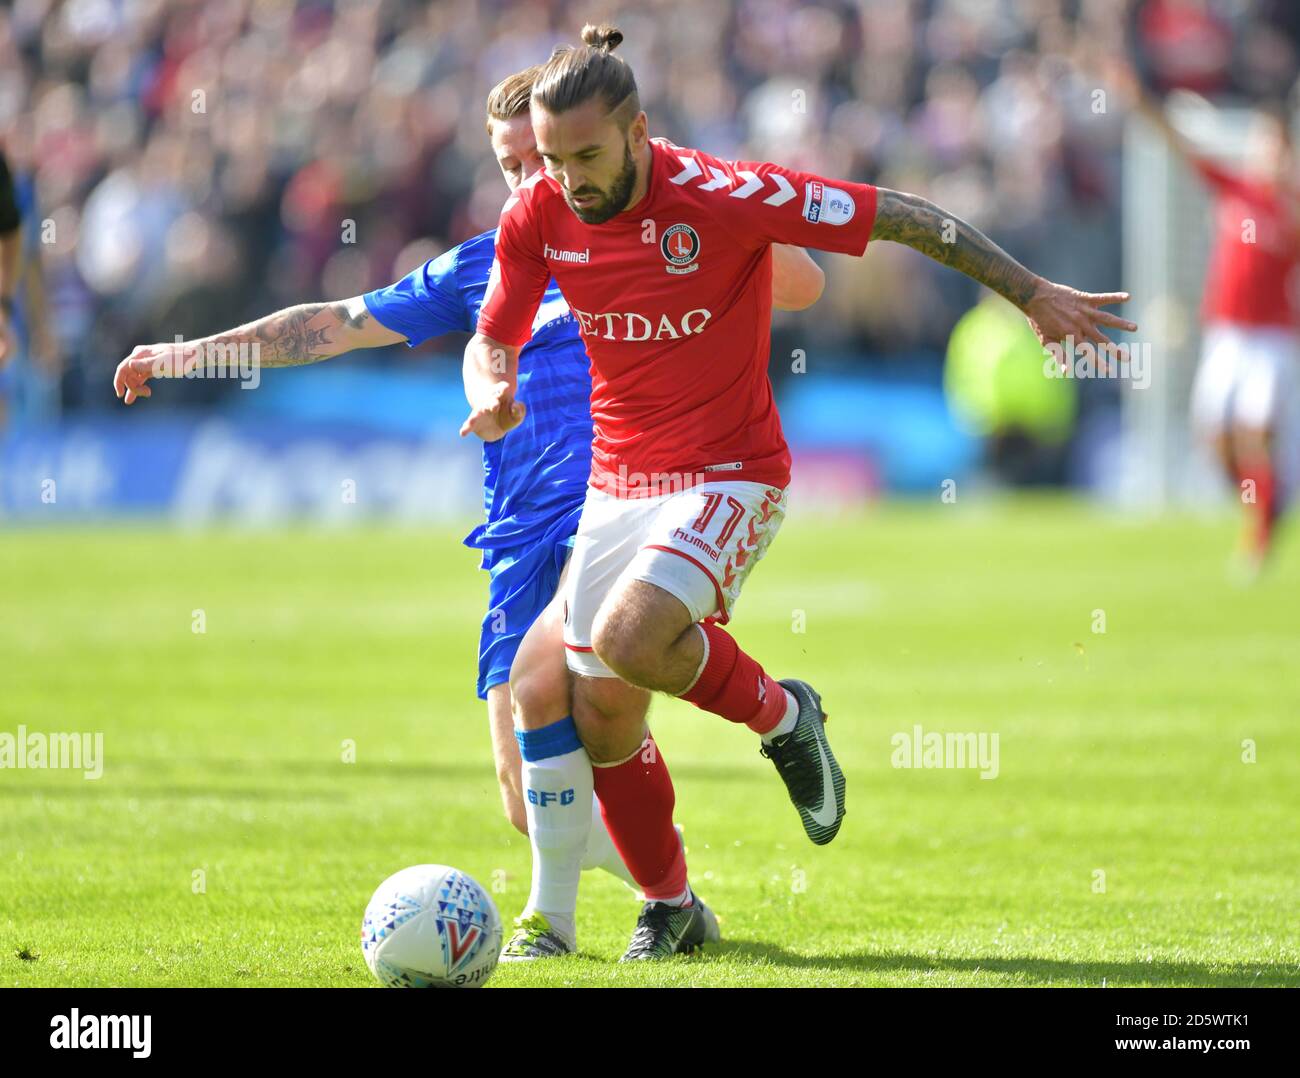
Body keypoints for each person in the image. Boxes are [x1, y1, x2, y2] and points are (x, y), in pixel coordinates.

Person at [111, 63, 826, 954]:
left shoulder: (646, 232)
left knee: (550, 679)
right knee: (528, 803)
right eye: (511, 165)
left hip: (618, 502)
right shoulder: (489, 265)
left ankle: (549, 926)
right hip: (516, 531)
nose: (532, 180)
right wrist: (187, 357)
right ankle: (673, 903)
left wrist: (695, 194)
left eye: (543, 159)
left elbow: (798, 285)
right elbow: (333, 322)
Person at [462, 23, 1135, 961]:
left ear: (639, 130)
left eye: (586, 154)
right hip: (619, 483)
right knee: (605, 715)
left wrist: (1027, 293)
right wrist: (489, 385)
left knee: (628, 638)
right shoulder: (536, 214)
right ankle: (670, 908)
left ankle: (785, 717)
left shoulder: (725, 194)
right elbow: (491, 331)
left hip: (733, 470)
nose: (567, 177)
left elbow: (898, 214)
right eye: (552, 158)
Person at [1127, 75, 1299, 573]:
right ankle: (1268, 502)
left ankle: (1260, 535)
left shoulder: (1291, 209)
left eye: (1274, 144)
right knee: (1215, 442)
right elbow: (1179, 142)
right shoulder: (1235, 188)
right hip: (1225, 332)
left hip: (1272, 338)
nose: (1264, 152)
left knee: (1255, 433)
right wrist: (1140, 98)